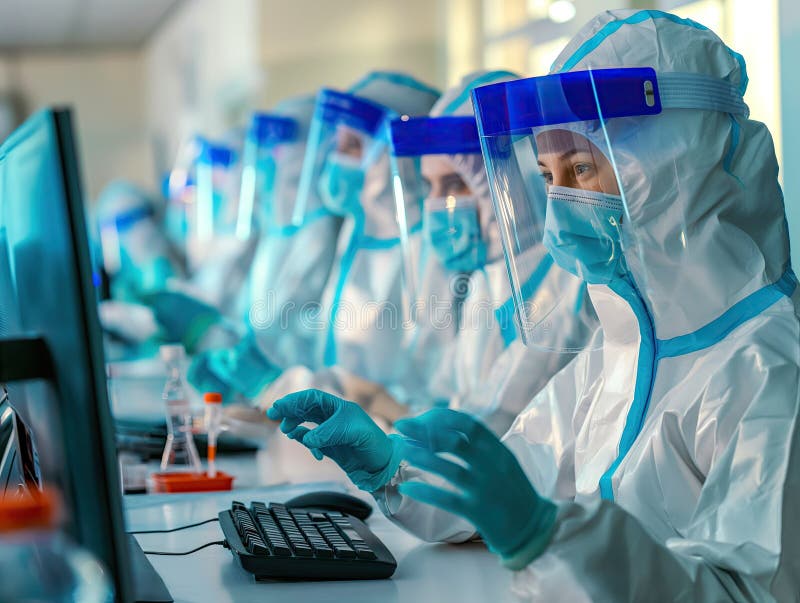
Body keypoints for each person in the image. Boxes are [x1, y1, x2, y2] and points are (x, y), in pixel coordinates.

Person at [268, 9, 800, 601]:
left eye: (582, 168)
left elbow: (750, 593)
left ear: (675, 166)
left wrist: (546, 536)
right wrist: (396, 469)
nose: (560, 201)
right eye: (548, 175)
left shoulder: (769, 368)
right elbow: (521, 471)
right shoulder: (620, 350)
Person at [391, 70, 596, 432]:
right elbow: (446, 395)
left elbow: (497, 421)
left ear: (518, 177)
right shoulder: (485, 280)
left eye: (455, 184)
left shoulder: (570, 284)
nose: (437, 205)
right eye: (429, 186)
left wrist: (392, 429)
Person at [255, 72, 440, 415]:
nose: (336, 160)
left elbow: (415, 394)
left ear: (395, 154)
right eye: (337, 145)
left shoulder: (426, 248)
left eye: (353, 146)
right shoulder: (356, 232)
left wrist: (273, 384)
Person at [188, 97, 344, 401]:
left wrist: (266, 382)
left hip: (311, 407)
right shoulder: (277, 238)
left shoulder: (320, 236)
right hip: (284, 406)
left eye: (292, 178)